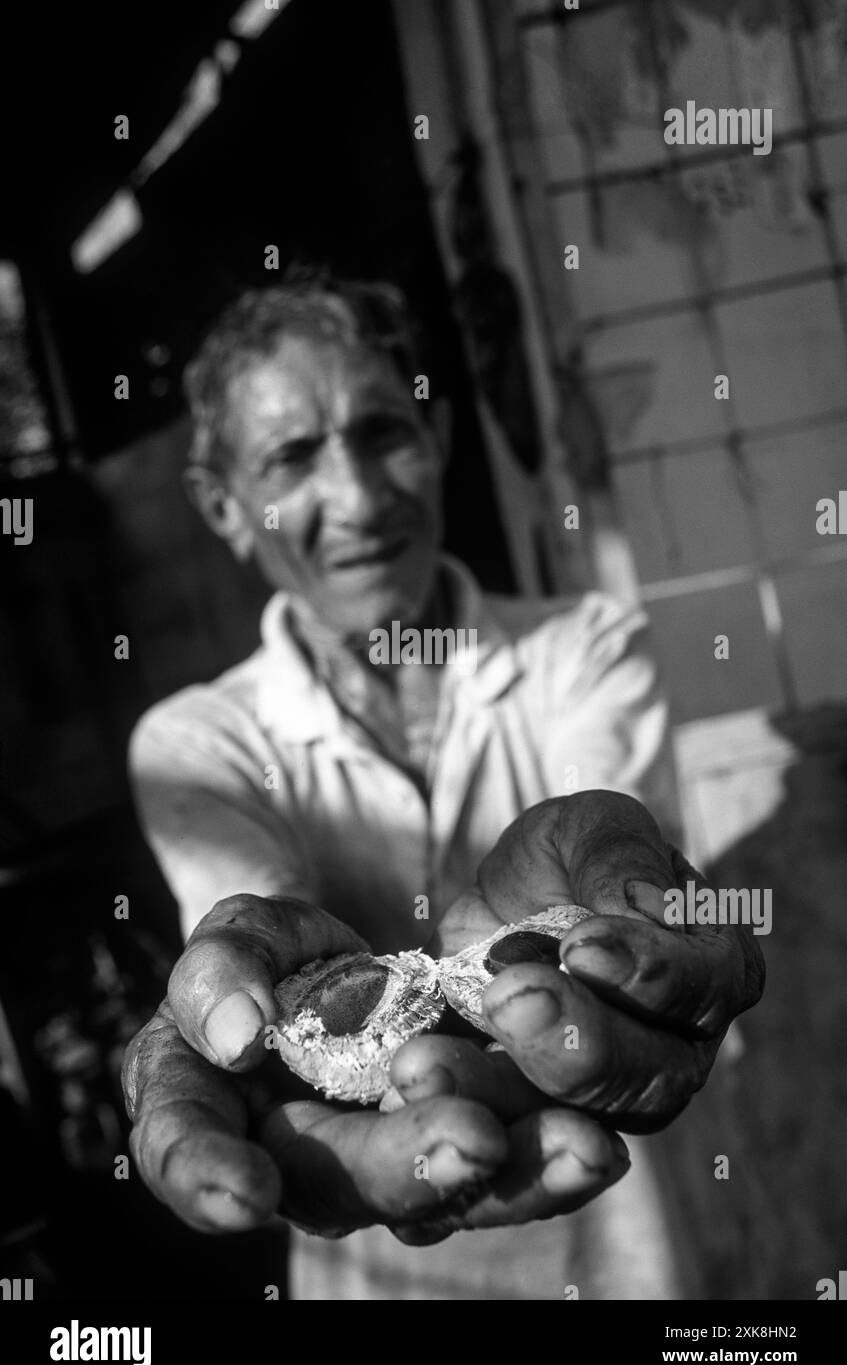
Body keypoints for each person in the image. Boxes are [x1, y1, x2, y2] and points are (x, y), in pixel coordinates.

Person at [122, 271, 764, 1300]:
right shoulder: (195, 743)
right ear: (224, 506)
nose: (359, 498)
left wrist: (604, 910)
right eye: (293, 457)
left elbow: (610, 914)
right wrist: (263, 982)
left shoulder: (585, 646)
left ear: (442, 435)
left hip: (626, 1253)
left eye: (384, 431)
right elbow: (264, 956)